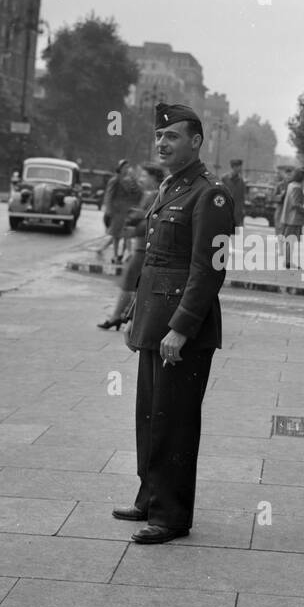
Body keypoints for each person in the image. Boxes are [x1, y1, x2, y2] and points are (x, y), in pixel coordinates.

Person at [111, 102, 235, 545]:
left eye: (173, 137)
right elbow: (152, 261)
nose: (162, 143)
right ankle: (150, 496)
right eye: (159, 137)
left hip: (183, 330)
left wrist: (180, 327)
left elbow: (209, 270)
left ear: (197, 142)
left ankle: (172, 515)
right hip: (153, 323)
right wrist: (134, 317)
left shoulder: (211, 195)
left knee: (174, 422)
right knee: (148, 416)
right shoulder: (170, 187)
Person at [98, 163, 162, 330]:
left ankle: (117, 316)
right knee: (135, 284)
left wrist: (134, 229)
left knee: (129, 282)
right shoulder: (151, 194)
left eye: (144, 176)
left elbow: (150, 221)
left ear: (153, 178)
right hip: (141, 245)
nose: (141, 179)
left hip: (144, 247)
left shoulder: (156, 195)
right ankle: (125, 315)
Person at [98, 160, 141, 263]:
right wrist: (108, 210)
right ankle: (116, 255)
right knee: (116, 235)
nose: (127, 169)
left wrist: (134, 179)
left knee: (124, 234)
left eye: (128, 167)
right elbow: (109, 195)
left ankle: (120, 254)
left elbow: (135, 192)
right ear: (120, 168)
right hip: (116, 212)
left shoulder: (127, 180)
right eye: (125, 167)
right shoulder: (114, 180)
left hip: (126, 211)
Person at [280, 168, 304, 269]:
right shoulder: (297, 187)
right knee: (291, 240)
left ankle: (288, 261)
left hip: (289, 217)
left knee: (289, 240)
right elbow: (296, 204)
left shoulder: (291, 185)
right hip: (294, 218)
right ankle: (287, 261)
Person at [222, 158, 247, 231]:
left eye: (240, 166)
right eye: (239, 166)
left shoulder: (241, 181)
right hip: (224, 208)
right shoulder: (224, 178)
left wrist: (242, 210)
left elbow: (242, 197)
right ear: (233, 167)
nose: (240, 168)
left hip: (236, 211)